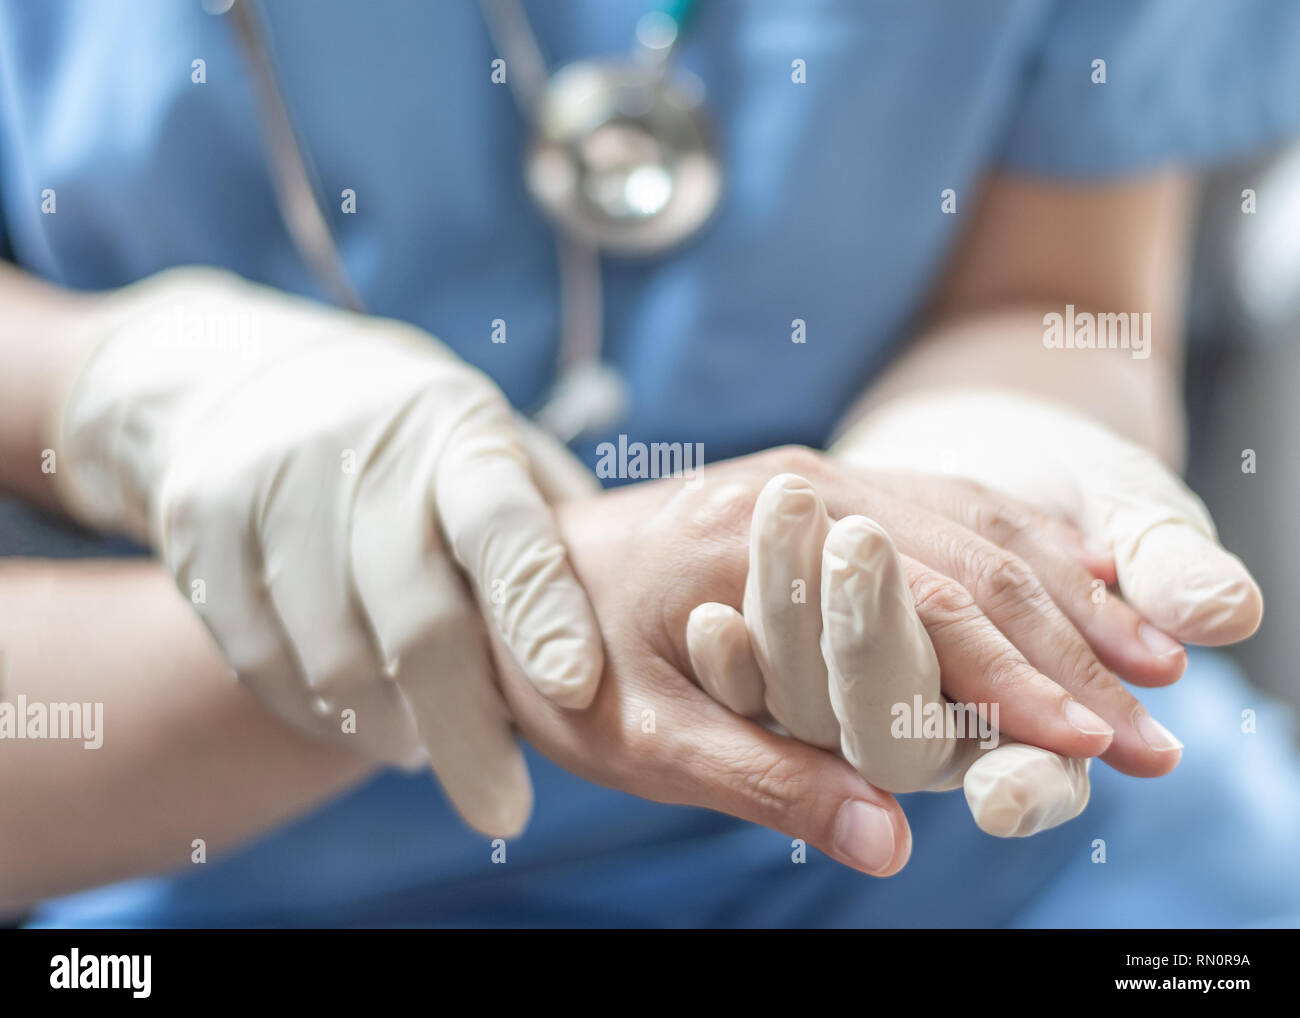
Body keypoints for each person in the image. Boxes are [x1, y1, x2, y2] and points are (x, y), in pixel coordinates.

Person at [1, 0, 1297, 927]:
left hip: (1010, 851)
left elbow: (1056, 287)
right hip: (206, 806)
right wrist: (88, 375)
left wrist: (993, 451)